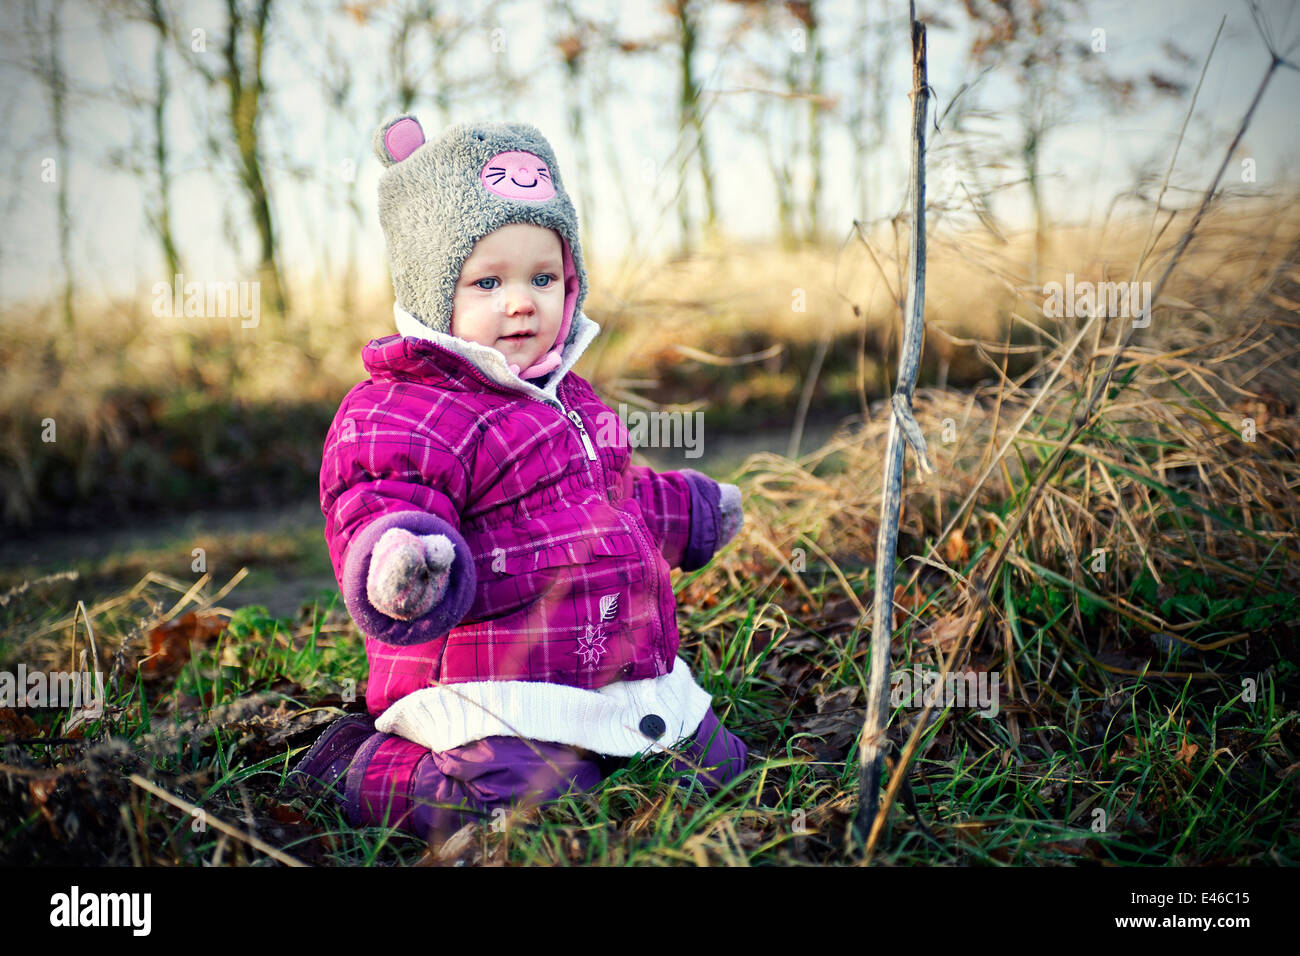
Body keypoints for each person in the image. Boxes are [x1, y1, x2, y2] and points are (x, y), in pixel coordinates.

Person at [289, 115, 748, 842]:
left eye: (543, 277)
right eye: (488, 281)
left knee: (717, 766)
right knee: (513, 798)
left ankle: (627, 755)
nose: (521, 302)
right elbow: (375, 494)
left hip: (613, 672)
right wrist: (400, 554)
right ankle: (364, 766)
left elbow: (612, 500)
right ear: (435, 291)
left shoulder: (572, 395)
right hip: (485, 687)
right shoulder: (407, 407)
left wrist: (686, 512)